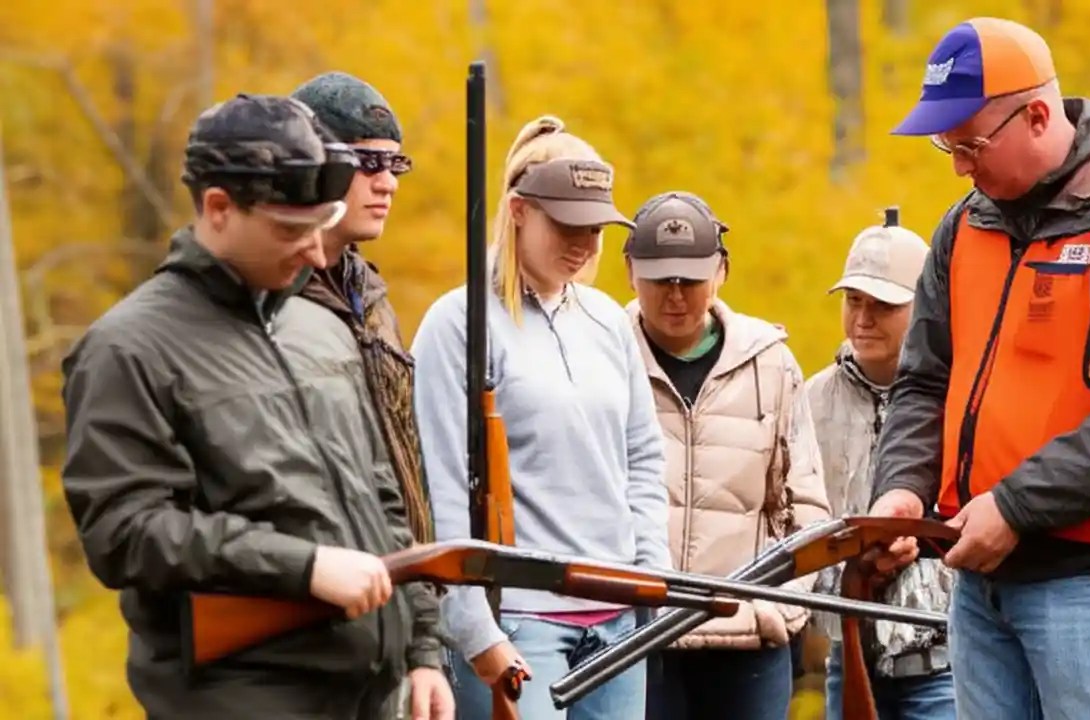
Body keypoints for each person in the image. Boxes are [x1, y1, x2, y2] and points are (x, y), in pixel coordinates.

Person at [867, 17, 1090, 720]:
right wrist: (902, 487)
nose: (959, 166)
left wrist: (1016, 506)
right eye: (948, 145)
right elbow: (924, 381)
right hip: (977, 577)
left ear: (1035, 115)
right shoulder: (964, 226)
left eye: (969, 144)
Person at [59, 94, 452, 719]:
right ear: (217, 208)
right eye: (290, 231)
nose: (313, 251)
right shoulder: (125, 348)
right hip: (241, 697)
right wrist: (305, 567)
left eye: (319, 225)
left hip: (375, 694)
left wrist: (423, 652)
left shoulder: (322, 330)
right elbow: (125, 532)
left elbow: (384, 500)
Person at [410, 115, 668, 720]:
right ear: (520, 210)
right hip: (518, 622)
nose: (584, 242)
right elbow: (440, 488)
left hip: (618, 617)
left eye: (596, 227)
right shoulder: (458, 324)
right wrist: (474, 627)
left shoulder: (608, 321)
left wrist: (652, 581)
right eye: (567, 223)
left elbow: (644, 460)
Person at [621, 191, 831, 720]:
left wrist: (776, 610)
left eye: (689, 278)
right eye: (659, 278)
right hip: (637, 638)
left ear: (721, 271)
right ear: (629, 272)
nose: (675, 295)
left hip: (749, 644)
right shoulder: (602, 354)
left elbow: (807, 509)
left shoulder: (772, 365)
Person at [290, 71, 451, 719]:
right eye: (368, 162)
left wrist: (424, 643)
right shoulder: (266, 303)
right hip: (305, 625)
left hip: (389, 612)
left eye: (396, 164)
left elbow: (400, 475)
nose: (387, 182)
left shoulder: (373, 297)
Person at [805, 214, 956, 720]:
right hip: (847, 652)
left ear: (923, 306)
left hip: (946, 659)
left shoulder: (957, 399)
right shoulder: (812, 398)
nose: (863, 319)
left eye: (884, 305)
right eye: (854, 301)